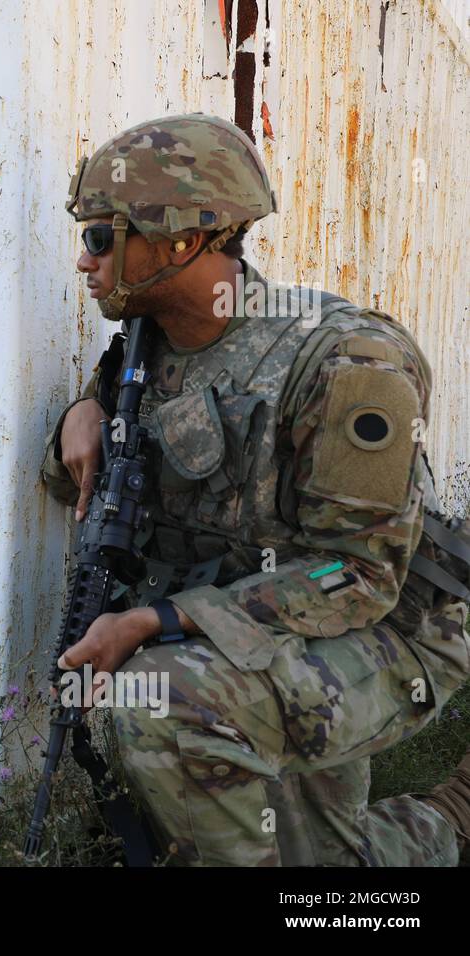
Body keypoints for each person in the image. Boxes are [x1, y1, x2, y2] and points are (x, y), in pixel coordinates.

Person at [39, 113, 470, 865]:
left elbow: (360, 577)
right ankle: (455, 817)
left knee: (161, 701)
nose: (84, 260)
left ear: (180, 241)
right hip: (256, 636)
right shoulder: (147, 352)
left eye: (103, 237)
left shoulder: (345, 362)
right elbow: (70, 479)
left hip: (385, 633)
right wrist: (78, 416)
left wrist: (157, 621)